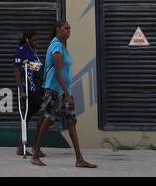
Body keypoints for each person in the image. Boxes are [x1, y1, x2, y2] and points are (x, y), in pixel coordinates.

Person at [31, 19, 96, 168]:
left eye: (70, 29)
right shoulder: (56, 47)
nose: (69, 31)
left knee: (72, 121)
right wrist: (67, 94)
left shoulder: (62, 46)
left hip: (65, 91)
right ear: (58, 29)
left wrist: (68, 93)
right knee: (48, 120)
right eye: (66, 28)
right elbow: (58, 73)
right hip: (55, 91)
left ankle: (79, 159)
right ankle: (35, 155)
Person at [13, 29, 43, 156]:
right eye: (34, 40)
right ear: (27, 39)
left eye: (37, 40)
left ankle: (29, 147)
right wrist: (21, 90)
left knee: (32, 116)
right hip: (29, 89)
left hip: (37, 88)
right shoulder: (21, 51)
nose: (37, 42)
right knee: (29, 116)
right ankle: (25, 147)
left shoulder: (33, 51)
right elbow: (17, 71)